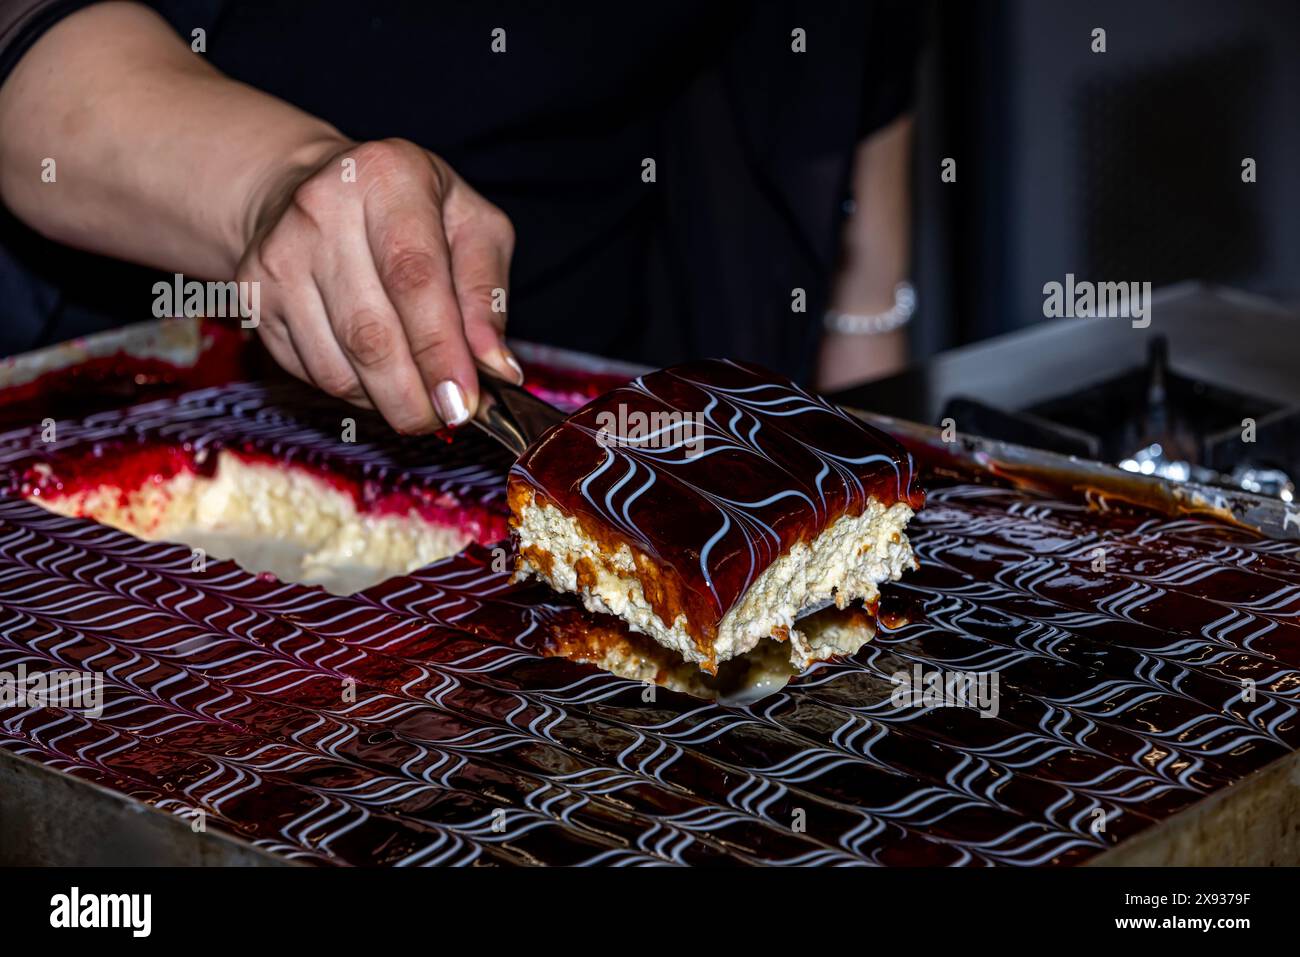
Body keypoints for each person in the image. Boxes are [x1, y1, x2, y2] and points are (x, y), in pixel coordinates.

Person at [0, 1, 921, 433]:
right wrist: (279, 182)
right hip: (157, 389)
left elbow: (844, 71)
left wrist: (862, 352)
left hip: (608, 384)